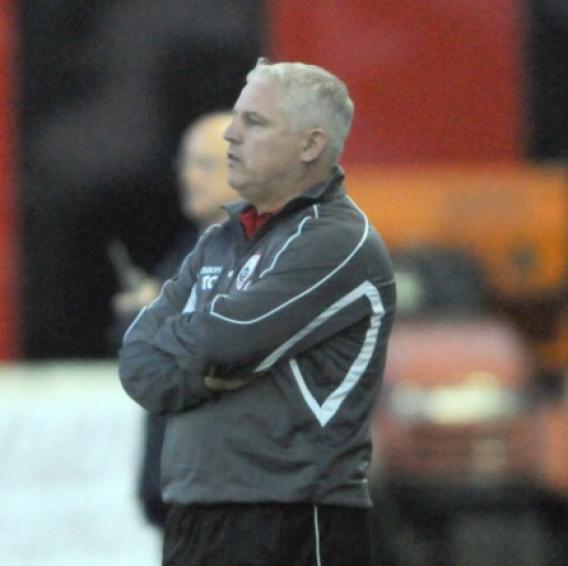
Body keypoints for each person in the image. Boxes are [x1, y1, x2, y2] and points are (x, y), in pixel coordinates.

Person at [119, 58, 395, 566]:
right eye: (236, 118)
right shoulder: (219, 239)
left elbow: (221, 341)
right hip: (194, 512)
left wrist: (188, 359)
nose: (230, 135)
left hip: (288, 517)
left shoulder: (337, 241)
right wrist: (204, 372)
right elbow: (136, 360)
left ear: (311, 145)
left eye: (255, 122)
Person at [109, 111, 239, 527]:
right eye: (184, 163)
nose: (187, 176)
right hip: (180, 491)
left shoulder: (263, 258)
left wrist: (151, 314)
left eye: (203, 164)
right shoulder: (191, 250)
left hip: (224, 492)